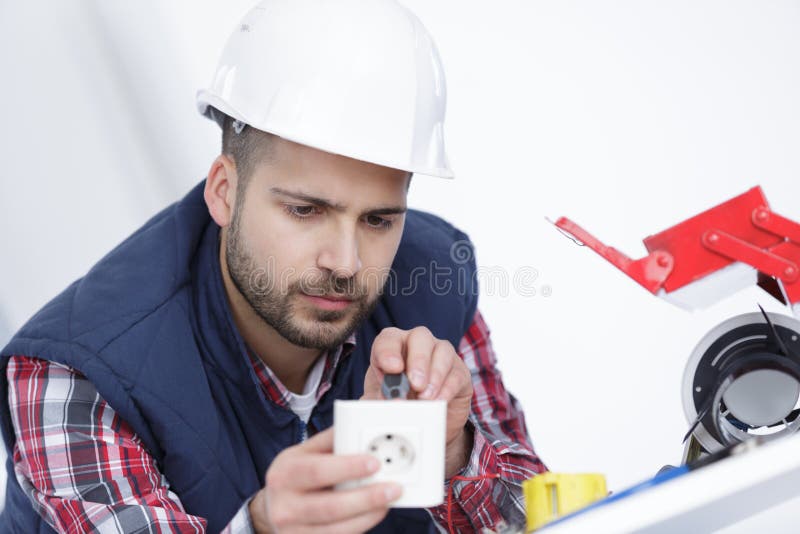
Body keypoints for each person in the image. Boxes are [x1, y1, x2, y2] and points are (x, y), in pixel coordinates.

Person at [0, 1, 546, 532]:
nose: (346, 263)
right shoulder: (74, 376)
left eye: (378, 219)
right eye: (305, 211)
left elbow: (549, 520)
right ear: (224, 191)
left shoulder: (434, 286)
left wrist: (454, 454)